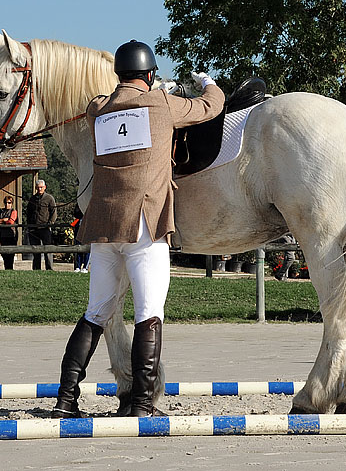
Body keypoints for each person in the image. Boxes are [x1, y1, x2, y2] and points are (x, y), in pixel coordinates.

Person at [51, 39, 224, 419]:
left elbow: (110, 103)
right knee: (149, 312)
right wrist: (207, 82)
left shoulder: (97, 109)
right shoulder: (161, 104)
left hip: (103, 229)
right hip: (145, 227)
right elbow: (211, 107)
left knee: (96, 312)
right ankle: (142, 404)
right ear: (149, 74)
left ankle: (66, 400)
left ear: (119, 74)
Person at [27, 180, 57, 271]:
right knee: (36, 250)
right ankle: (36, 269)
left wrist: (50, 223)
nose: (39, 189)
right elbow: (28, 212)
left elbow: (54, 212)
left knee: (47, 249)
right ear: (36, 188)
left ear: (45, 187)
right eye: (38, 187)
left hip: (45, 228)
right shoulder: (32, 199)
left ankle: (49, 268)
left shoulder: (49, 198)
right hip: (33, 228)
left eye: (41, 187)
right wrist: (29, 225)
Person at [0, 196, 19, 270]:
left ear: (12, 203)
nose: (7, 204)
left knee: (10, 254)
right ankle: (6, 268)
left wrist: (1, 220)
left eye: (9, 203)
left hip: (12, 236)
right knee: (4, 253)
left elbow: (11, 222)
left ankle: (10, 268)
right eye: (6, 202)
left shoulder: (14, 211)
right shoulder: (0, 211)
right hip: (3, 235)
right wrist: (4, 220)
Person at [71, 205, 89, 273]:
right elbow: (76, 213)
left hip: (88, 229)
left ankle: (85, 267)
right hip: (78, 229)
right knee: (78, 248)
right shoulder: (79, 204)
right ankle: (78, 266)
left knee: (87, 249)